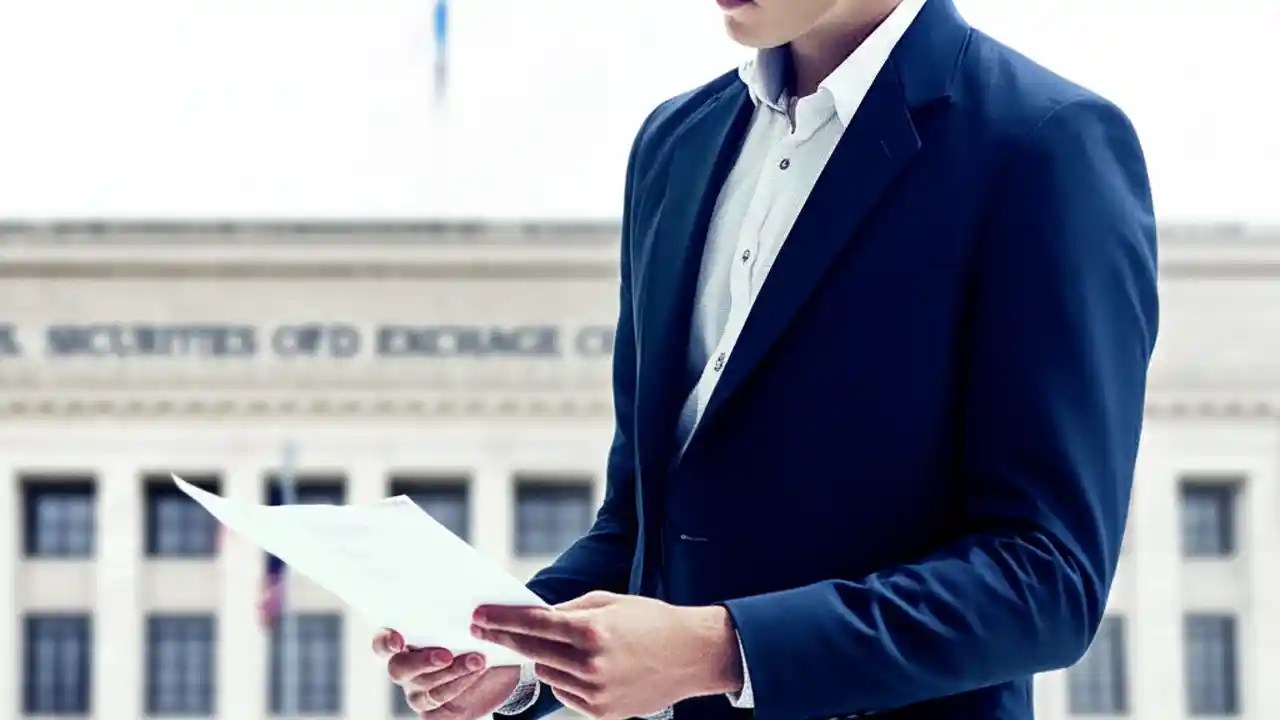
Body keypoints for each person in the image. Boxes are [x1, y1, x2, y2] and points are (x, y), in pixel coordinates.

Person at [375, 0, 1158, 717]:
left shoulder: (1044, 144)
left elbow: (1047, 578)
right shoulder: (673, 144)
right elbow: (644, 522)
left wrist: (720, 650)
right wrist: (514, 652)